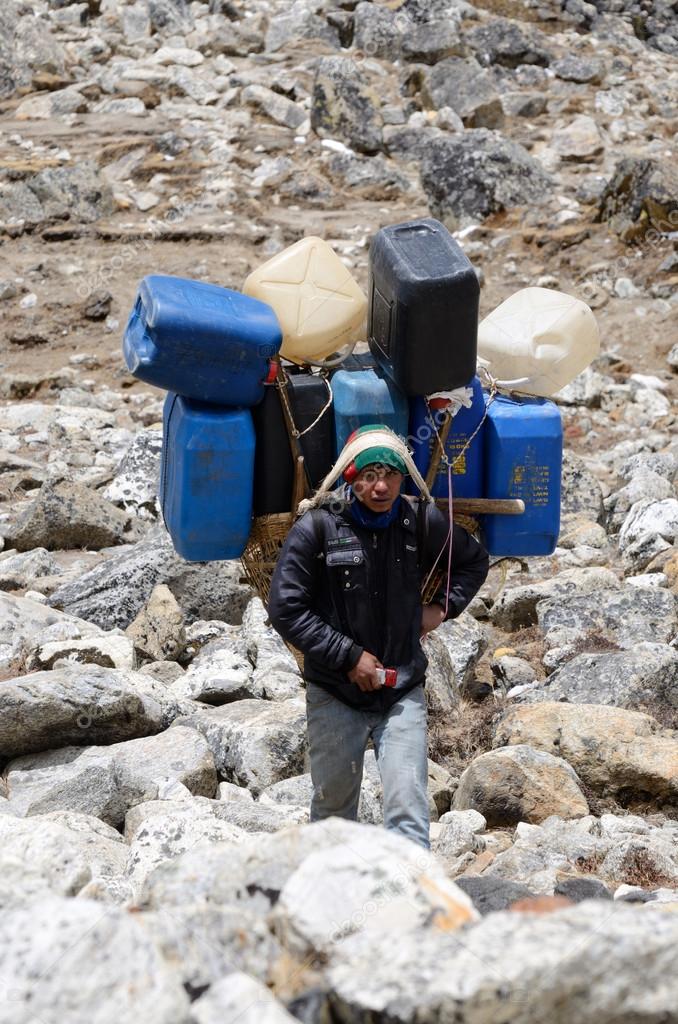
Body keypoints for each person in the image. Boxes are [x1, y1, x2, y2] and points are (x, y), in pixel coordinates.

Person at [267, 424, 489, 848]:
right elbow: (285, 608)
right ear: (350, 476)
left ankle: (413, 889)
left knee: (408, 809)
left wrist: (442, 608)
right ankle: (331, 889)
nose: (381, 486)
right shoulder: (318, 527)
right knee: (333, 814)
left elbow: (473, 561)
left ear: (404, 478)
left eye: (390, 475)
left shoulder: (419, 521)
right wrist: (349, 657)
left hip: (402, 688)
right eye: (369, 475)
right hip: (334, 692)